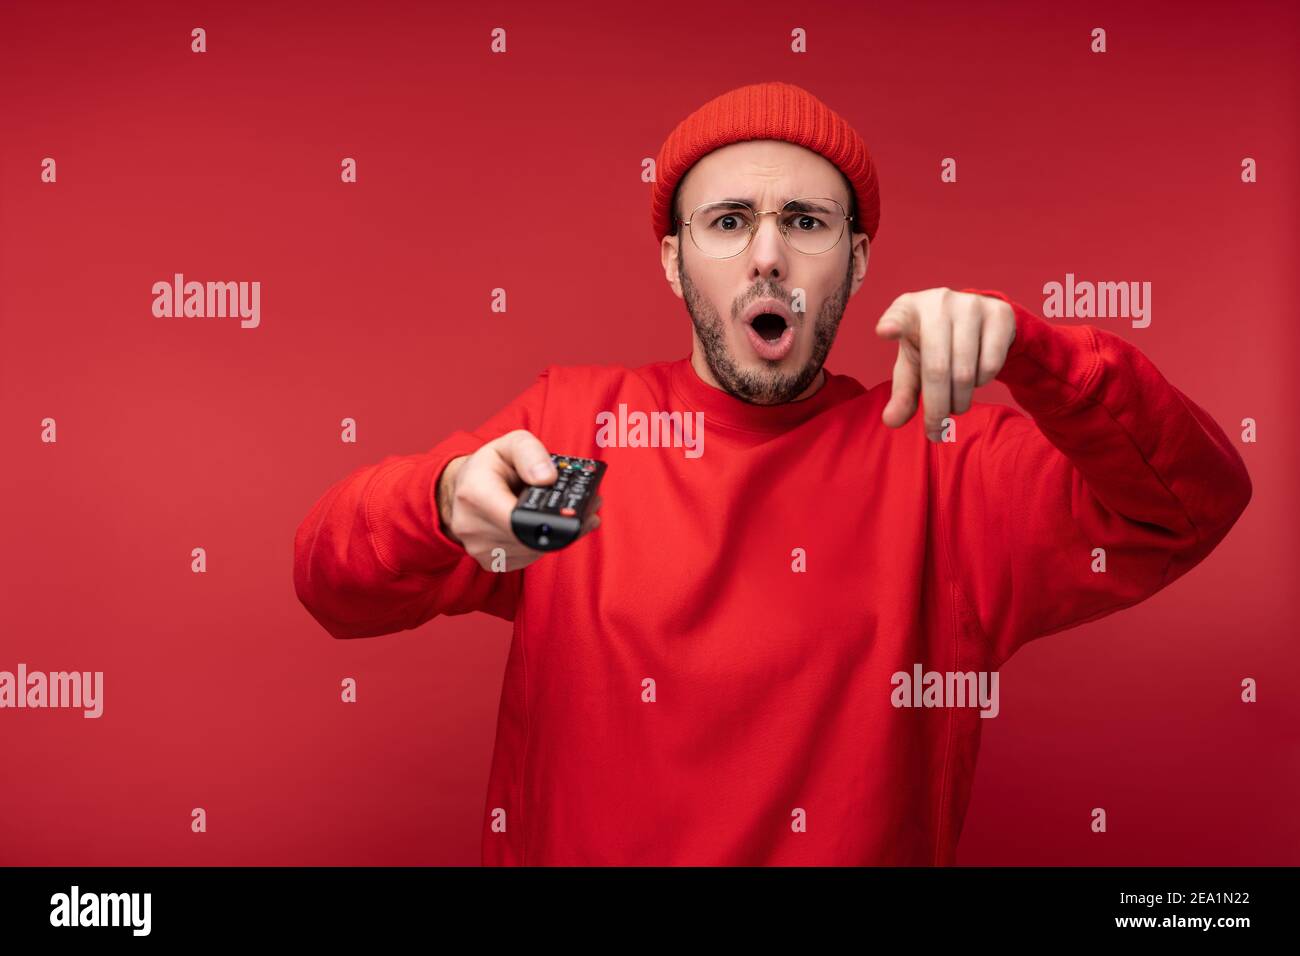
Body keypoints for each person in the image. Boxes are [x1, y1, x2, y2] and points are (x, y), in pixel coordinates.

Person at [292, 81, 1252, 865]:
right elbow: (334, 587)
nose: (766, 256)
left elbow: (1188, 509)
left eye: (804, 221)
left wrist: (1044, 354)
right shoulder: (574, 426)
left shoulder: (946, 467)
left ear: (858, 258)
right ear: (673, 263)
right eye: (726, 222)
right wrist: (440, 498)